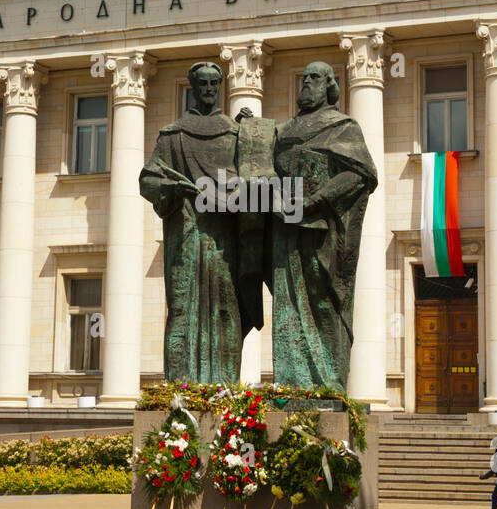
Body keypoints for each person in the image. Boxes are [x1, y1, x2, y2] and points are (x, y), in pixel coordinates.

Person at [139, 61, 257, 383]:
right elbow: (148, 179)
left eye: (213, 84)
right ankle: (180, 388)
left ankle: (224, 388)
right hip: (186, 235)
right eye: (202, 83)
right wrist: (170, 188)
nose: (208, 89)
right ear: (192, 86)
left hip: (225, 238)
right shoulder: (172, 136)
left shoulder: (235, 134)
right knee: (181, 310)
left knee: (226, 311)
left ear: (220, 87)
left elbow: (256, 176)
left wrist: (252, 135)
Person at [264, 62, 377, 390]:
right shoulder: (283, 131)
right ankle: (292, 382)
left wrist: (316, 200)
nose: (307, 84)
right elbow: (261, 165)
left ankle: (329, 381)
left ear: (330, 86)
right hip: (286, 228)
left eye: (315, 78)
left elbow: (360, 174)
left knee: (323, 296)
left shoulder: (344, 127)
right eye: (305, 78)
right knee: (287, 301)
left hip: (322, 228)